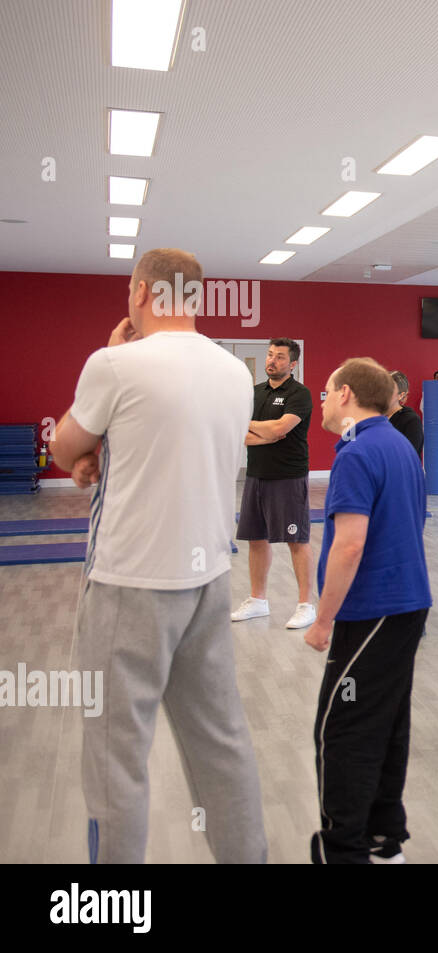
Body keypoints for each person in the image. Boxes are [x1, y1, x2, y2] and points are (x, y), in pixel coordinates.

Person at [51, 247, 266, 863]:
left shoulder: (115, 364)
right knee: (221, 746)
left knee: (116, 760)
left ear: (143, 291)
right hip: (208, 580)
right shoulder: (232, 372)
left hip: (130, 583)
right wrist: (104, 452)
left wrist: (93, 436)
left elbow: (68, 449)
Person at [304, 358, 432, 862]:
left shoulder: (356, 454)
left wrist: (322, 618)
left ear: (346, 395)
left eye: (325, 391)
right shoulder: (398, 443)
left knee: (341, 729)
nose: (321, 400)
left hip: (373, 610)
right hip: (405, 606)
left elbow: (349, 545)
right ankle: (384, 838)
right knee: (386, 722)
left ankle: (344, 848)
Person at [232, 337, 316, 629]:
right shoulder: (254, 393)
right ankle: (258, 600)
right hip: (256, 475)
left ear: (293, 363)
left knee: (296, 539)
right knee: (256, 538)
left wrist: (257, 426)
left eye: (280, 357)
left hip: (288, 477)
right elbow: (239, 433)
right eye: (270, 355)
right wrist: (265, 431)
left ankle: (306, 604)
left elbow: (281, 429)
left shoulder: (299, 394)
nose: (272, 361)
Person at [387, 370, 423, 457]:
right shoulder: (376, 416)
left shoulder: (411, 420)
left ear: (401, 395)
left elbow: (409, 456)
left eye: (389, 390)